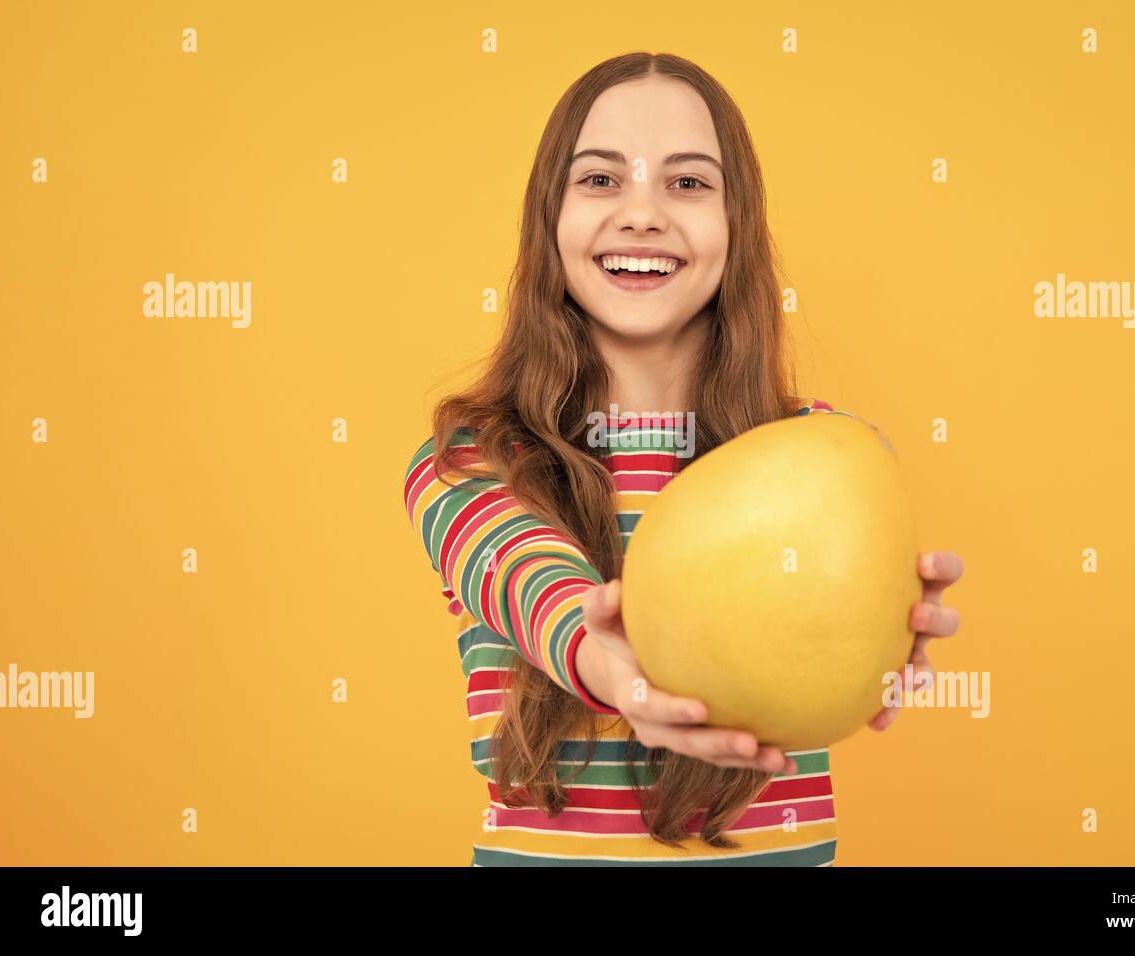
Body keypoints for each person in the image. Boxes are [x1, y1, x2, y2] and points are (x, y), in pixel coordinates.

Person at [403, 51, 964, 866]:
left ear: (737, 224)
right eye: (599, 180)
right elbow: (527, 575)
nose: (642, 214)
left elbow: (843, 654)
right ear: (547, 219)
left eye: (688, 183)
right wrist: (615, 665)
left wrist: (875, 641)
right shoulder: (474, 458)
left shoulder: (824, 448)